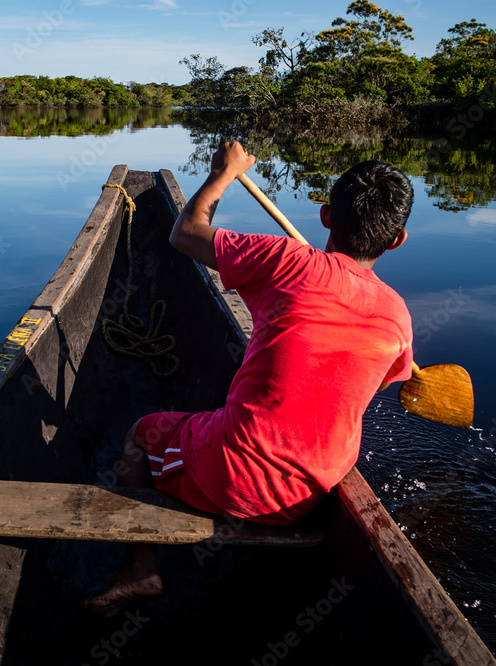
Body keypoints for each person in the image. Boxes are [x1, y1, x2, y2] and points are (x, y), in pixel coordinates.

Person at [83, 141, 414, 617]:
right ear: (397, 239)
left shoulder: (286, 260)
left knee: (140, 432)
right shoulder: (399, 316)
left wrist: (225, 172)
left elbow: (185, 232)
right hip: (306, 496)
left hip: (232, 479)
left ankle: (141, 569)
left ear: (324, 216)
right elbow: (376, 383)